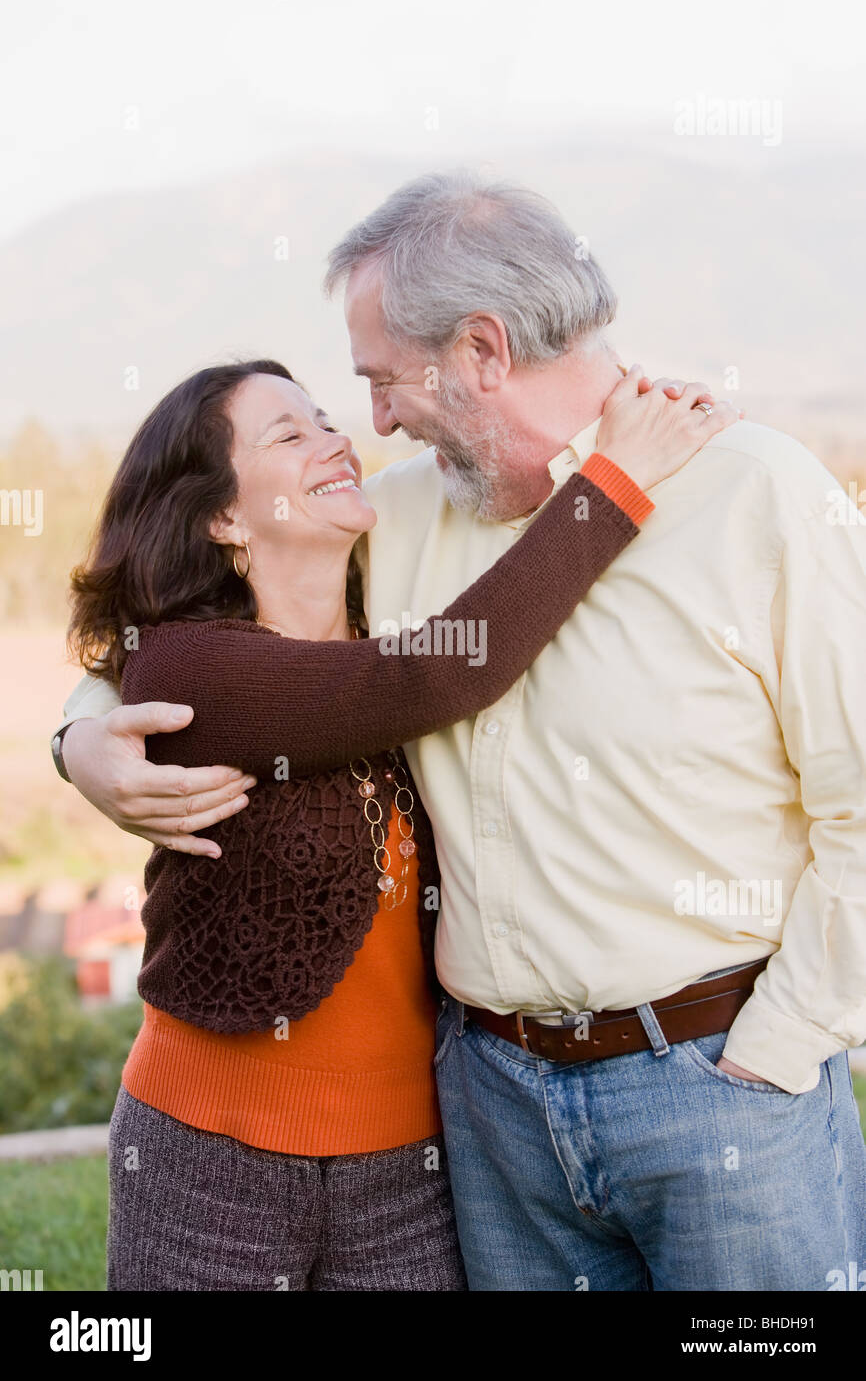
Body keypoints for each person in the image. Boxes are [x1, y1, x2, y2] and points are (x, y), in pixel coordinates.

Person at [59, 170, 866, 1292]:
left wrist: (777, 1050)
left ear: (481, 350)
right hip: (494, 1120)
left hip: (713, 1086)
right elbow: (210, 641)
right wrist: (85, 737)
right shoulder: (392, 516)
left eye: (381, 383)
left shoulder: (756, 495)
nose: (373, 421)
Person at [61, 352, 728, 1291]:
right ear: (221, 516)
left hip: (409, 1161)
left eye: (325, 417)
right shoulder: (192, 671)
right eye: (288, 434)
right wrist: (614, 480)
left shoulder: (392, 608)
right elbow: (436, 677)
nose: (335, 438)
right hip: (212, 1150)